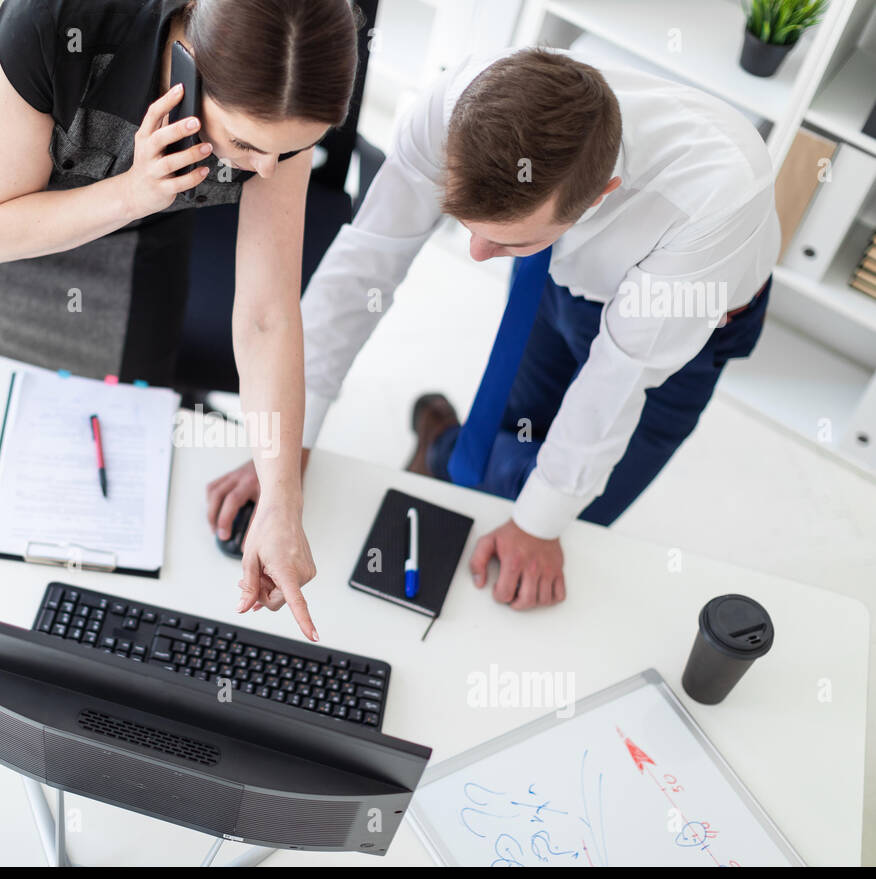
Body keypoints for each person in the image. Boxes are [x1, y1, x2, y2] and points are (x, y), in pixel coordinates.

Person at [206, 48, 778, 612]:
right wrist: (288, 448)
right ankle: (442, 444)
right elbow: (364, 264)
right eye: (467, 229)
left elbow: (620, 375)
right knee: (484, 460)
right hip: (550, 273)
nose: (478, 255)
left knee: (575, 518)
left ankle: (448, 445)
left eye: (504, 241)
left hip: (688, 324)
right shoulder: (462, 100)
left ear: (600, 196)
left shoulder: (718, 192)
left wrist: (537, 526)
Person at [0, 0, 361, 640]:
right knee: (12, 396)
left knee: (132, 404)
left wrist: (281, 499)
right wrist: (134, 191)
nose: (265, 170)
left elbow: (268, 315)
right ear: (188, 67)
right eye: (243, 143)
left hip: (148, 218)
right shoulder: (54, 18)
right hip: (16, 206)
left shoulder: (289, 83)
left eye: (293, 148)